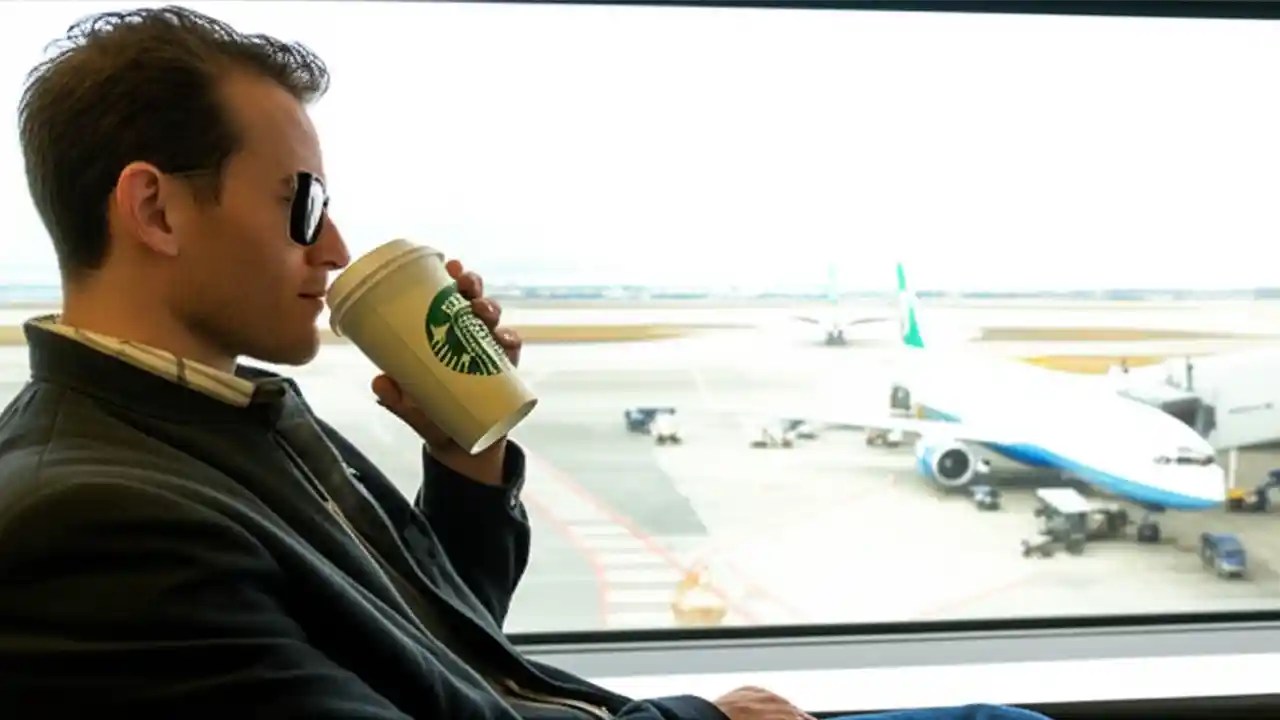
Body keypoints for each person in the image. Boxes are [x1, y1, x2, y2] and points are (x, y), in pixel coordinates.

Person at [0, 5, 1053, 719]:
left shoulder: (222, 419)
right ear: (154, 210)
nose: (332, 249)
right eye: (303, 203)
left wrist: (464, 446)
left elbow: (439, 646)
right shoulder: (90, 521)